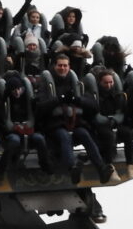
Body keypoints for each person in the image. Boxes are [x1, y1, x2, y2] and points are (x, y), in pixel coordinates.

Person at [41, 52, 112, 184]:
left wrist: (77, 99)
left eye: (65, 66)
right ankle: (72, 168)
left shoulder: (77, 83)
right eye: (60, 65)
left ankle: (101, 168)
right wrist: (59, 99)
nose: (62, 68)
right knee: (64, 136)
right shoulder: (47, 83)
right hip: (55, 124)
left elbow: (94, 105)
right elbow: (41, 106)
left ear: (69, 67)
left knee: (84, 134)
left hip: (75, 122)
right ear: (55, 66)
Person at [0, 68, 48, 180]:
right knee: (14, 141)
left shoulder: (28, 98)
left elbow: (37, 115)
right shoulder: (5, 101)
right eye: (14, 90)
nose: (17, 92)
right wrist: (14, 128)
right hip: (13, 131)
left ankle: (45, 166)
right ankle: (1, 168)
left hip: (28, 129)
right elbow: (1, 120)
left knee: (39, 138)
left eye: (19, 89)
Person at [89, 67, 133, 177]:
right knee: (109, 136)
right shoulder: (95, 95)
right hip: (100, 125)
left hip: (114, 123)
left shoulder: (118, 94)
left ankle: (130, 165)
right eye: (106, 83)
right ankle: (110, 166)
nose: (109, 85)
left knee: (128, 133)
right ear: (100, 82)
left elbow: (122, 111)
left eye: (111, 82)